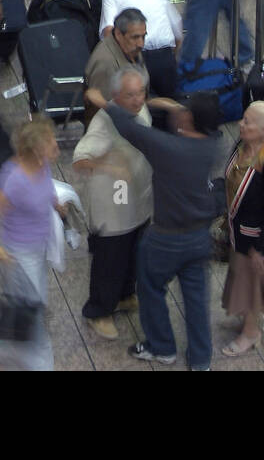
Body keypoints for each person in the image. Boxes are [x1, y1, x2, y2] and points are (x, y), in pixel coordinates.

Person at [106, 92, 221, 370]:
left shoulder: (168, 148)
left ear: (190, 118)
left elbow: (130, 128)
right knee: (196, 300)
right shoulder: (214, 145)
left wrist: (106, 102)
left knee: (150, 287)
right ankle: (201, 360)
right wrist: (170, 106)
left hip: (166, 239)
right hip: (199, 238)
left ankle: (162, 347)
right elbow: (185, 125)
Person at [0, 115, 61, 370]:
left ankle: (0, 343)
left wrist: (56, 203)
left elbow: (45, 189)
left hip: (38, 249)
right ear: (35, 148)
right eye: (49, 140)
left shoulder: (42, 165)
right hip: (20, 256)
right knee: (33, 311)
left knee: (27, 307)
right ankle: (32, 360)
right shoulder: (15, 178)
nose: (56, 144)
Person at [72, 69, 153, 340]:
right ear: (116, 96)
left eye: (141, 92)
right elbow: (80, 160)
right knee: (110, 262)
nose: (137, 99)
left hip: (139, 203)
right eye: (130, 94)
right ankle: (99, 311)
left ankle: (125, 294)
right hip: (113, 211)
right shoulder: (104, 124)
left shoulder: (140, 112)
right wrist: (109, 167)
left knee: (132, 256)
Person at [219, 100, 264, 356]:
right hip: (241, 234)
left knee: (253, 289)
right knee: (243, 282)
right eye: (243, 118)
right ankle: (248, 323)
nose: (241, 124)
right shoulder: (242, 146)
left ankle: (251, 332)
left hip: (258, 242)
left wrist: (261, 249)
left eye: (248, 122)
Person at [100, 0, 182, 99]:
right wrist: (172, 57)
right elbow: (177, 25)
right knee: (172, 105)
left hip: (135, 59)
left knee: (138, 110)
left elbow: (108, 32)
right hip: (164, 57)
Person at [84, 7, 151, 124]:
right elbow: (103, 113)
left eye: (143, 36)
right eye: (135, 37)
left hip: (137, 113)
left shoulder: (131, 48)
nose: (141, 43)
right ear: (119, 34)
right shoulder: (105, 63)